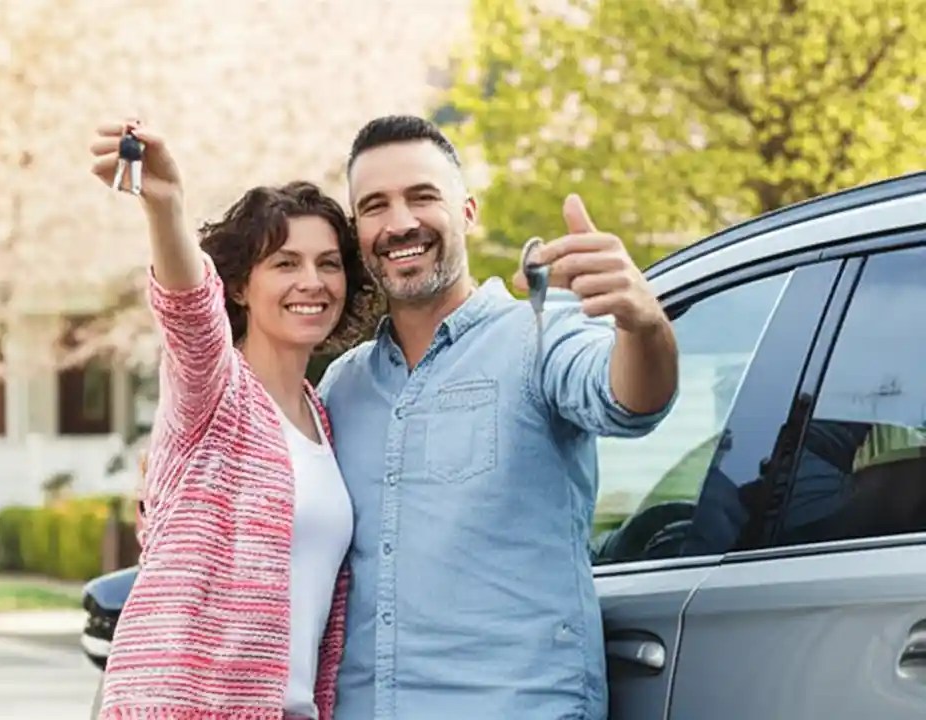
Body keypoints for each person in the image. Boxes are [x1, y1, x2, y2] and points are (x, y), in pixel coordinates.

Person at [316, 115, 679, 719]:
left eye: (422, 196)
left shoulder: (540, 335)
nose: (400, 222)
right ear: (358, 233)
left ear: (466, 211)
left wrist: (643, 323)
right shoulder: (342, 385)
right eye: (375, 206)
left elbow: (630, 401)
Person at [87, 119, 376, 720]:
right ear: (240, 286)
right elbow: (190, 315)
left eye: (328, 264)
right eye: (286, 264)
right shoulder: (215, 392)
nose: (312, 283)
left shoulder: (321, 413)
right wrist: (166, 208)